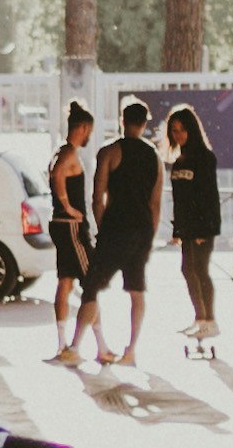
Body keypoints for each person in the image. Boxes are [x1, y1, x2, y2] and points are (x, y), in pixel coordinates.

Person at [90, 100, 161, 374]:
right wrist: (150, 236)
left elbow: (98, 197)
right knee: (136, 290)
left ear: (122, 120)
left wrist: (101, 226)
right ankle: (131, 349)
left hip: (114, 228)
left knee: (92, 286)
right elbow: (155, 204)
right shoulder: (154, 157)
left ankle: (101, 344)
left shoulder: (109, 151)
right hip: (141, 229)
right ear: (144, 124)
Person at [161, 100, 224, 350]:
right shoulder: (178, 162)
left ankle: (211, 319)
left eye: (182, 129)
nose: (179, 134)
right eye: (174, 130)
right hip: (186, 227)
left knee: (201, 270)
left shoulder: (205, 158)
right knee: (188, 270)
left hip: (203, 226)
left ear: (192, 129)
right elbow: (179, 199)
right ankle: (199, 318)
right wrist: (178, 230)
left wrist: (203, 229)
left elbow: (209, 196)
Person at [43, 95, 99, 365]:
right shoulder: (69, 153)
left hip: (60, 225)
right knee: (92, 285)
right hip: (72, 226)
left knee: (65, 283)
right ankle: (95, 346)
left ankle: (63, 344)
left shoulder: (58, 150)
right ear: (84, 128)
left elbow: (54, 173)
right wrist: (68, 205)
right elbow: (57, 176)